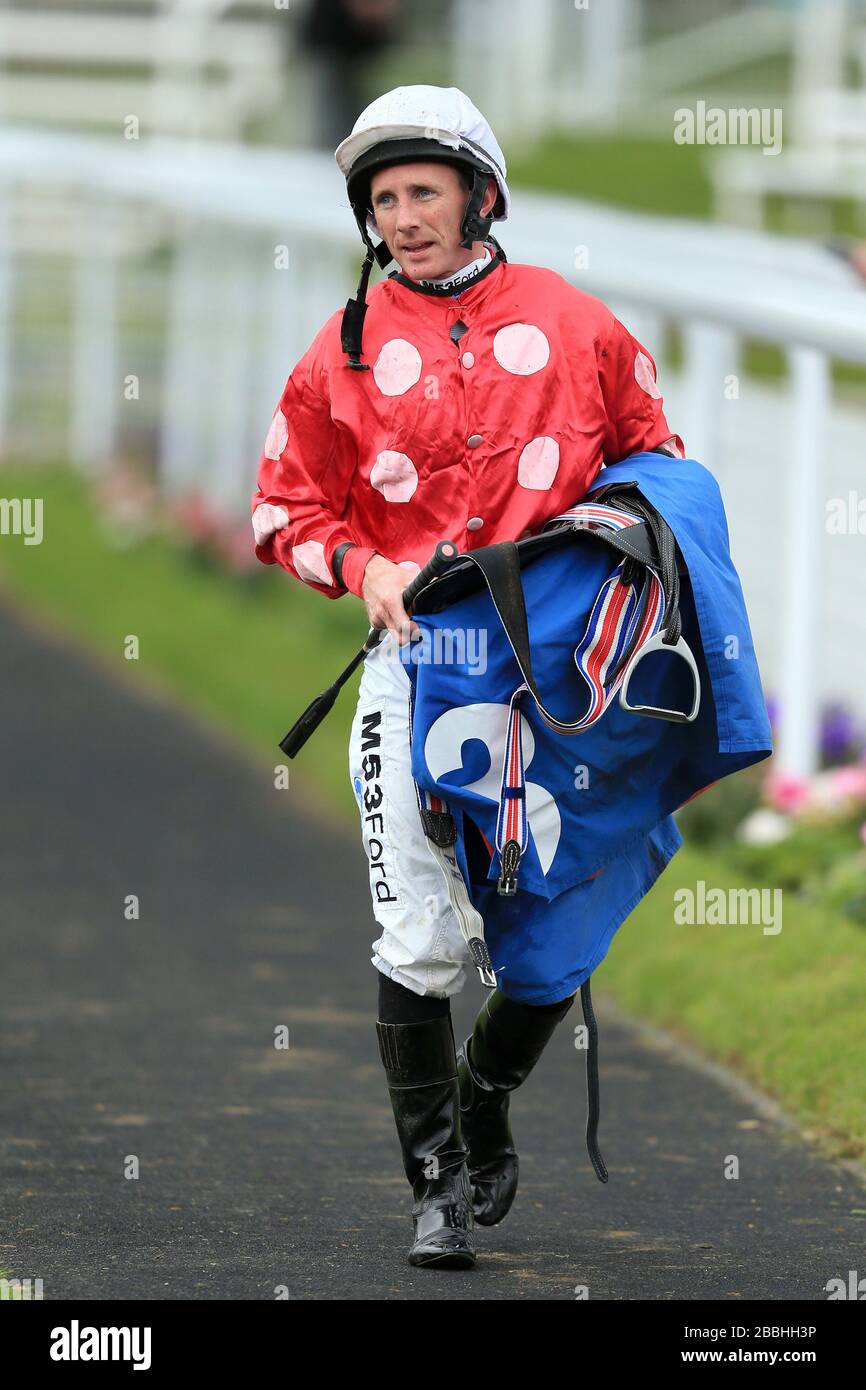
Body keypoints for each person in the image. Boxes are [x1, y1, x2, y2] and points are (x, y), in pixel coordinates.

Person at [251, 84, 684, 1270]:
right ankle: (433, 1184)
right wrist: (361, 561)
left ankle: (486, 1088)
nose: (403, 217)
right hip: (415, 670)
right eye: (382, 199)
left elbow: (662, 469)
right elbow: (280, 509)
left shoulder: (577, 324)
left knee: (557, 929)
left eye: (422, 193)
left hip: (553, 684)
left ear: (479, 195)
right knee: (421, 934)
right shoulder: (337, 354)